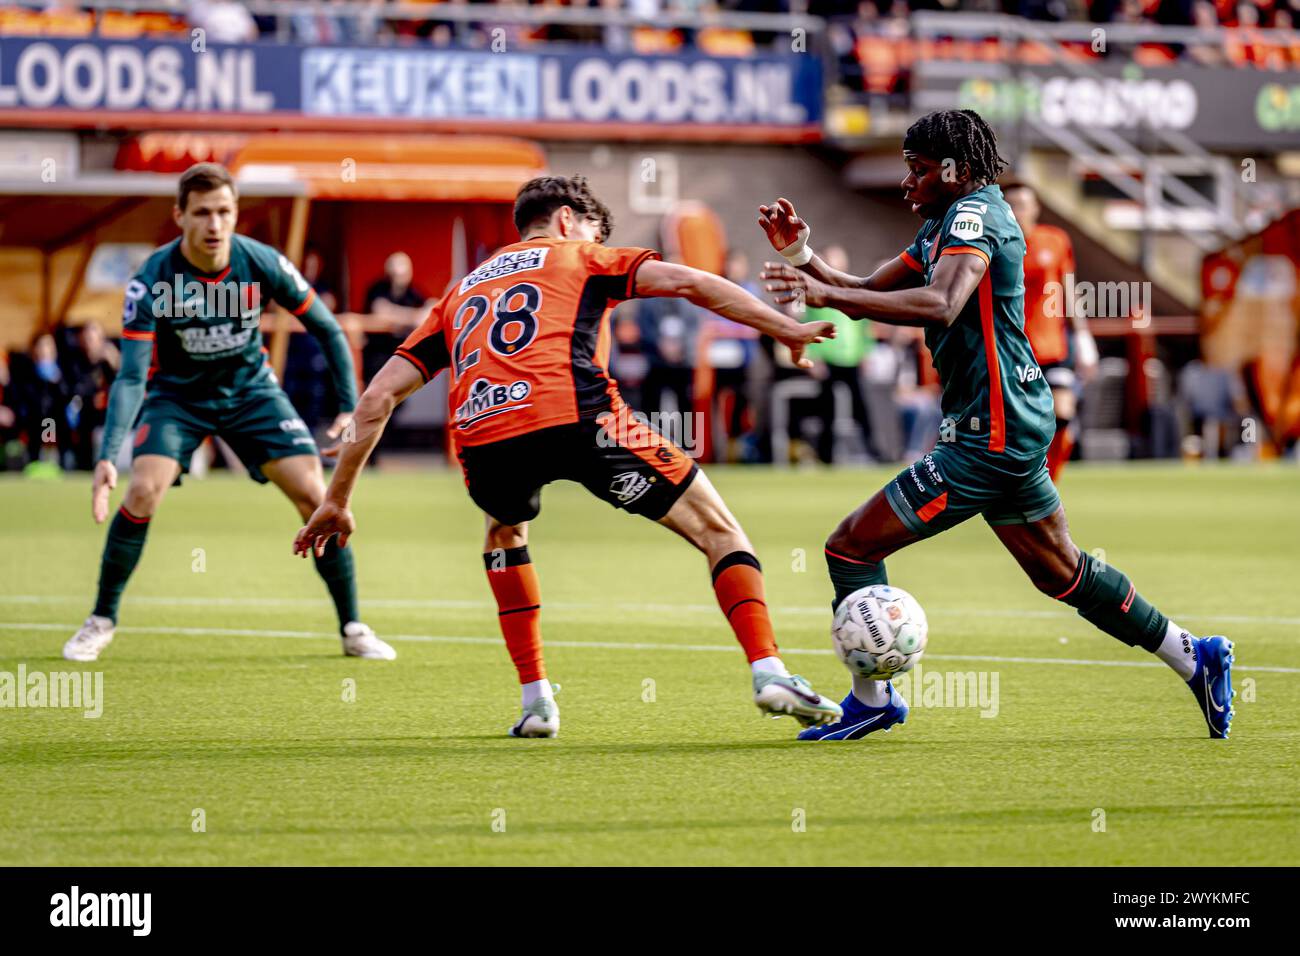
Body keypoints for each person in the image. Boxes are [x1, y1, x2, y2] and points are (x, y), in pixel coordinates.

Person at [294, 174, 844, 738]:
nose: (597, 241)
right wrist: (783, 327)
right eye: (594, 231)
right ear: (566, 220)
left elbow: (378, 397)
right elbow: (688, 281)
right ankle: (769, 670)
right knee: (719, 530)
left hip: (484, 439)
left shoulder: (458, 293)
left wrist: (337, 499)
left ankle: (536, 701)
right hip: (580, 419)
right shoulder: (581, 256)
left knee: (503, 532)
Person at [758, 109, 1234, 741]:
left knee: (850, 547)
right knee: (1061, 572)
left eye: (917, 169)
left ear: (955, 170)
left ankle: (873, 699)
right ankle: (1193, 654)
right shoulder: (943, 223)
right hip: (1005, 421)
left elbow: (939, 304)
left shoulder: (975, 216)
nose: (907, 182)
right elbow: (868, 289)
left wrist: (829, 296)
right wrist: (802, 255)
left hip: (990, 434)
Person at [63, 162, 395, 663]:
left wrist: (349, 405)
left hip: (251, 393)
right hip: (178, 398)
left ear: (236, 213)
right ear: (180, 216)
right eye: (202, 213)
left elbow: (327, 328)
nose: (214, 224)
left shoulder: (261, 261)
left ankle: (353, 627)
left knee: (315, 495)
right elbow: (130, 376)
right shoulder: (151, 279)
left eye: (224, 211)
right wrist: (109, 454)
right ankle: (100, 620)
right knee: (143, 489)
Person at [1003, 182, 1097, 480]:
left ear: (1035, 208)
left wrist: (1083, 337)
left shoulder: (1055, 240)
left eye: (1022, 204)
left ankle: (1049, 482)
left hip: (1053, 347)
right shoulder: (995, 245)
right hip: (1012, 350)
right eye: (1010, 205)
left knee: (1062, 414)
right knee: (1018, 426)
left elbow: (1069, 289)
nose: (1016, 211)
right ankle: (1019, 482)